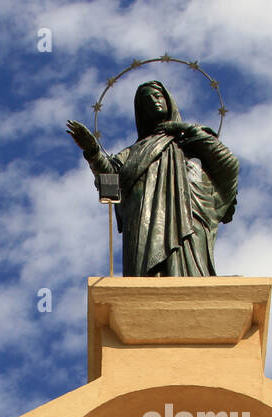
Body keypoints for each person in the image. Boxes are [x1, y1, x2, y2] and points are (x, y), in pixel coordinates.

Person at [66, 80, 239, 277]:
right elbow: (111, 178)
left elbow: (228, 164)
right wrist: (93, 151)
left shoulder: (193, 138)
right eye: (146, 101)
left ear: (168, 100)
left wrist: (188, 130)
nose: (154, 102)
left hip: (189, 212)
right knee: (145, 276)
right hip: (144, 217)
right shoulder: (135, 151)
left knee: (191, 270)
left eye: (157, 96)